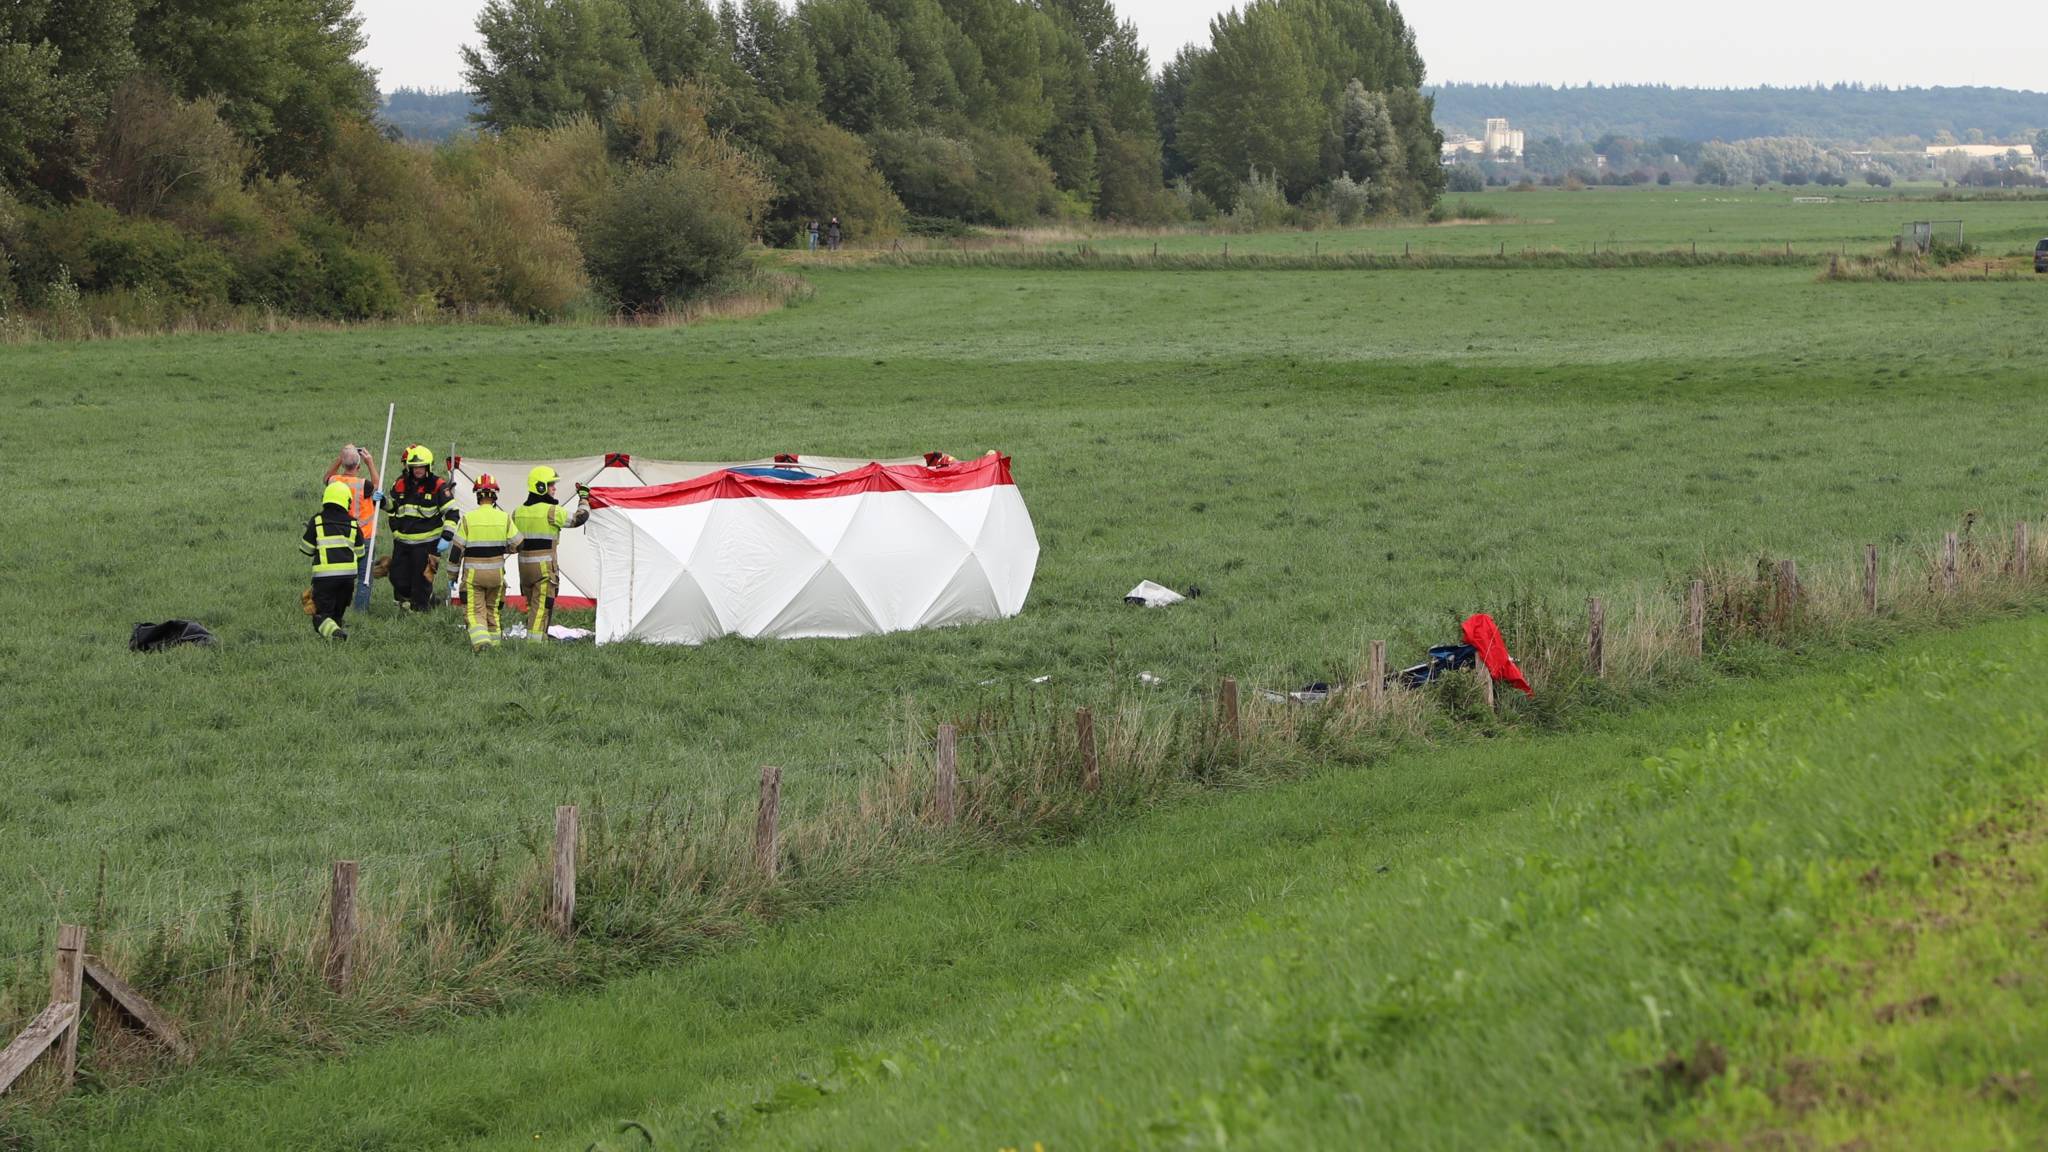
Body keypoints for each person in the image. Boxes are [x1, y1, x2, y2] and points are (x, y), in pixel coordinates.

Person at [513, 466, 591, 641]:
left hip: (524, 570)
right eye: (551, 485)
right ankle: (535, 646)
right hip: (544, 570)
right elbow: (579, 518)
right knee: (542, 608)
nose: (554, 488)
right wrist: (584, 499)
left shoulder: (517, 513)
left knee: (532, 607)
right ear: (540, 487)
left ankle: (536, 640)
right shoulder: (552, 511)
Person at [449, 474, 523, 651]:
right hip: (496, 576)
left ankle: (482, 644)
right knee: (492, 611)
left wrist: (452, 575)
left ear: (478, 496)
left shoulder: (468, 519)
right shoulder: (504, 518)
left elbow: (456, 551)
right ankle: (495, 647)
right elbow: (519, 543)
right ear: (494, 496)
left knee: (475, 612)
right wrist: (503, 549)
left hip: (474, 576)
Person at [381, 444, 457, 611]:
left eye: (421, 466)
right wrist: (383, 502)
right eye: (415, 467)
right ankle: (420, 600)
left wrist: (446, 537)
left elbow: (452, 513)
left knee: (421, 582)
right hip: (402, 543)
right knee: (397, 579)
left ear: (428, 467)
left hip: (427, 545)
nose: (418, 470)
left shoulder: (438, 485)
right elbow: (393, 507)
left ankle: (421, 612)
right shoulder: (400, 483)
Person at [301, 481, 365, 641]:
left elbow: (306, 549)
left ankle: (337, 635)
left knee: (320, 616)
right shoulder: (353, 524)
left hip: (325, 578)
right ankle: (335, 639)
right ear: (346, 502)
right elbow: (361, 553)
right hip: (348, 579)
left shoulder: (317, 520)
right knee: (336, 616)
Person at [324, 443, 382, 609]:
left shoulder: (334, 481)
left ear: (342, 464)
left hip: (340, 535)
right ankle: (360, 610)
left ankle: (336, 607)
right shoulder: (364, 485)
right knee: (364, 576)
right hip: (363, 536)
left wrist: (340, 458)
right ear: (358, 466)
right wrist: (370, 462)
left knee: (339, 574)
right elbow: (377, 487)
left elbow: (326, 477)